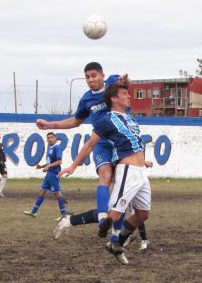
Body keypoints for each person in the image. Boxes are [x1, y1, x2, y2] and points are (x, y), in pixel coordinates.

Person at [59, 84, 150, 264]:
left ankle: (115, 242)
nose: (129, 96)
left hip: (141, 172)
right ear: (113, 99)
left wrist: (143, 160)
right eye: (124, 94)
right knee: (114, 213)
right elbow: (90, 145)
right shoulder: (106, 120)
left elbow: (136, 143)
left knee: (142, 214)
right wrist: (74, 165)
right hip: (128, 170)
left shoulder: (130, 119)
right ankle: (100, 230)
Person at [36, 62, 128, 236]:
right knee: (105, 177)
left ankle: (115, 233)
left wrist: (126, 81)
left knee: (121, 191)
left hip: (121, 141)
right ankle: (103, 222)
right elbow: (76, 121)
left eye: (94, 75)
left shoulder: (112, 82)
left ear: (102, 75)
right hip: (101, 142)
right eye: (87, 77)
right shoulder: (86, 99)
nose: (90, 79)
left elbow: (125, 86)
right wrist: (50, 124)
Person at [24, 132, 67, 218]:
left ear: (55, 138)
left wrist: (48, 167)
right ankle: (34, 212)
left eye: (52, 137)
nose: (50, 139)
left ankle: (64, 215)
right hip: (49, 174)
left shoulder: (57, 147)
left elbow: (59, 161)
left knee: (58, 194)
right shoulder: (50, 148)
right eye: (48, 138)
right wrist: (42, 166)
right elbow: (49, 162)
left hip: (54, 174)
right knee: (42, 192)